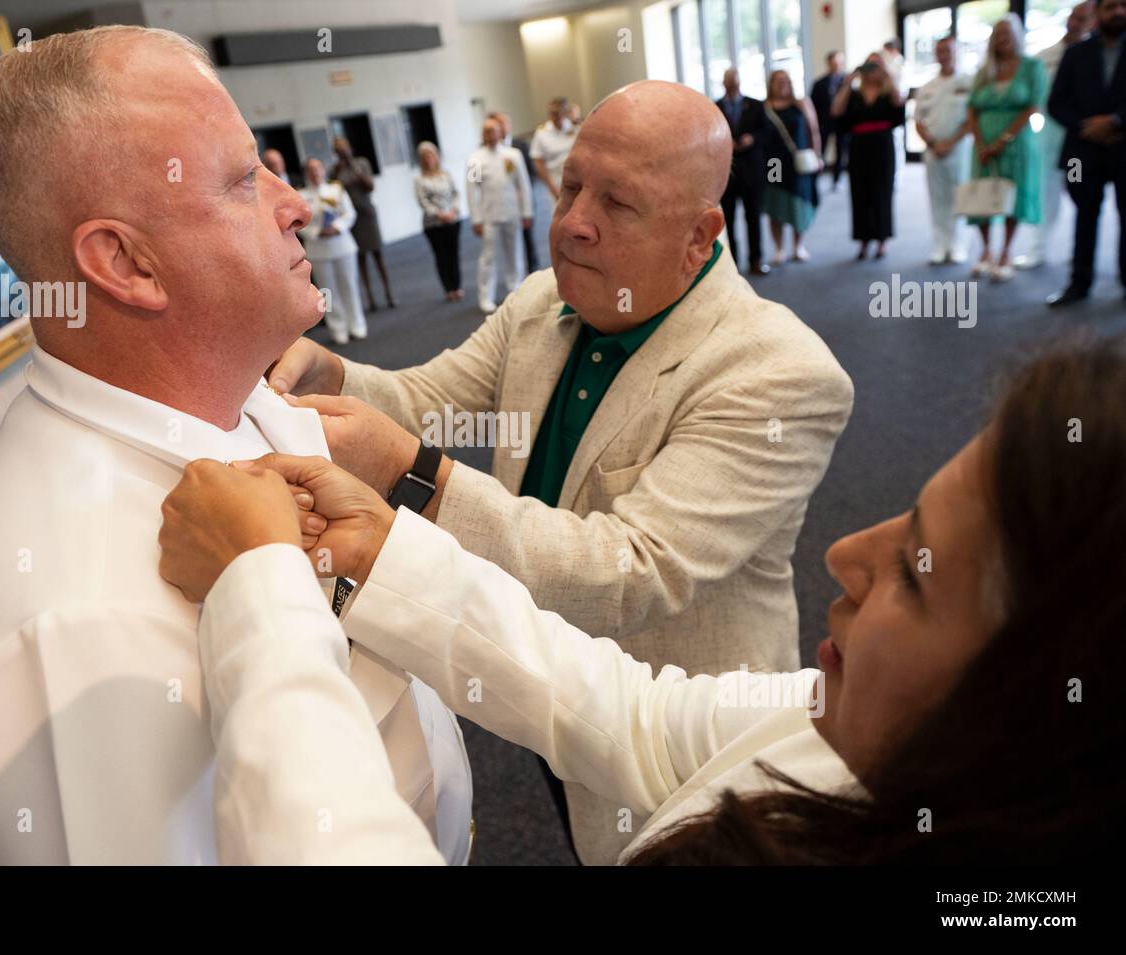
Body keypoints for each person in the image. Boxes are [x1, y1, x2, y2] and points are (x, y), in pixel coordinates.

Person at [159, 337, 1126, 865]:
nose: (845, 554)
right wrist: (389, 556)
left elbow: (631, 566)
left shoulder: (773, 368)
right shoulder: (867, 730)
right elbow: (644, 719)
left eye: (916, 572)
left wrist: (264, 599)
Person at [0, 25, 473, 865]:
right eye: (246, 179)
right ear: (125, 263)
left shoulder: (246, 394)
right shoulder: (74, 626)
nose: (296, 203)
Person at [265, 80, 853, 865]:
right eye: (571, 183)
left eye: (618, 203)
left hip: (689, 742)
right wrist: (330, 374)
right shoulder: (546, 302)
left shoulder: (777, 373)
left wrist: (415, 474)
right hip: (545, 700)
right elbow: (432, 402)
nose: (572, 222)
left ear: (699, 233)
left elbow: (631, 571)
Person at [1046, 0, 1126, 306]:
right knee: (1083, 213)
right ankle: (1079, 283)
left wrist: (1115, 121)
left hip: (1122, 147)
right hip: (1080, 154)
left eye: (1123, 5)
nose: (1118, 12)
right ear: (1098, 14)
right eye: (1110, 6)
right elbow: (1056, 103)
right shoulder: (1075, 54)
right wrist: (1086, 126)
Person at [964, 15, 1047, 283]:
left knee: (1013, 195)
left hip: (1016, 143)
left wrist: (1003, 140)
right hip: (983, 145)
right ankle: (986, 250)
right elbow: (971, 109)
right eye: (997, 33)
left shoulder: (1032, 67)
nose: (1002, 38)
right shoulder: (984, 71)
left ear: (1017, 35)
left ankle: (1006, 252)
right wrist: (981, 142)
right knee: (983, 197)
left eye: (1007, 32)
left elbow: (1033, 106)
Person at [1017, 1, 1096, 270]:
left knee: (1079, 192)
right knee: (1045, 193)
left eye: (1082, 19)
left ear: (1092, 23)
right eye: (1073, 17)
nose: (1074, 23)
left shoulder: (1095, 58)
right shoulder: (1045, 56)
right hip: (1049, 143)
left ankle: (1081, 248)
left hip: (1076, 147)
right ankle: (1038, 249)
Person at [832, 55, 905, 260]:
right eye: (869, 65)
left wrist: (888, 75)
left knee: (883, 192)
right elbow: (836, 111)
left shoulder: (888, 92)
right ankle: (863, 240)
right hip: (859, 147)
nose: (873, 70)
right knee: (860, 192)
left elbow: (899, 104)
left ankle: (882, 239)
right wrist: (848, 81)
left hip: (882, 146)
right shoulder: (854, 94)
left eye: (876, 65)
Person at [914, 36, 973, 265]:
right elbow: (918, 121)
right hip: (933, 150)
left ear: (956, 52)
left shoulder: (967, 83)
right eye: (939, 51)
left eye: (947, 50)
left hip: (959, 149)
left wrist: (950, 143)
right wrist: (933, 143)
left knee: (960, 196)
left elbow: (971, 119)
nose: (943, 55)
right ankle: (940, 244)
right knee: (937, 198)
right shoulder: (927, 88)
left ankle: (958, 244)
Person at [466, 117, 532, 314]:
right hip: (489, 215)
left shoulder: (513, 155)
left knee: (515, 252)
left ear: (500, 132)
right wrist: (475, 218)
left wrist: (526, 212)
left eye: (494, 130)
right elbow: (472, 191)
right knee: (488, 257)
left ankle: (515, 288)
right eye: (487, 131)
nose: (491, 135)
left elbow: (524, 185)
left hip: (512, 212)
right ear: (482, 135)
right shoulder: (475, 160)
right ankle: (485, 296)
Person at [300, 158, 368, 344]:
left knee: (349, 286)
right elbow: (299, 224)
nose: (315, 173)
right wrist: (317, 231)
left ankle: (357, 324)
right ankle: (338, 328)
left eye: (318, 168)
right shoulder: (301, 195)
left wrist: (336, 226)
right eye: (311, 170)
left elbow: (350, 213)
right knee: (327, 293)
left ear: (323, 170)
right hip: (318, 250)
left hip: (343, 246)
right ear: (306, 173)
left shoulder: (336, 189)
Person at [761, 69, 822, 265]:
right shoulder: (765, 107)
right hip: (774, 163)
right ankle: (779, 248)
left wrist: (818, 155)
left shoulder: (802, 104)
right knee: (775, 202)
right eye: (777, 81)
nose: (782, 84)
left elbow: (814, 131)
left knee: (799, 202)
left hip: (799, 162)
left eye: (785, 80)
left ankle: (798, 246)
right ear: (771, 84)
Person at [331, 136, 396, 311]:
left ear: (349, 147)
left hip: (367, 214)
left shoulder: (361, 163)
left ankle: (388, 291)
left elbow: (370, 186)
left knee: (377, 254)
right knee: (361, 258)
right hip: (351, 218)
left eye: (343, 147)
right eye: (338, 149)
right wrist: (339, 172)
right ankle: (370, 297)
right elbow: (334, 192)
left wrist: (353, 167)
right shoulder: (335, 170)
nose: (341, 151)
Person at [716, 68, 769, 275]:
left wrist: (752, 139)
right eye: (729, 82)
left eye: (735, 82)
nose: (732, 85)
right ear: (724, 84)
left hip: (752, 170)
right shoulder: (716, 107)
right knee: (727, 219)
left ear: (740, 83)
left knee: (753, 217)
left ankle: (756, 260)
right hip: (727, 173)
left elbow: (767, 134)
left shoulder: (755, 105)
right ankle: (733, 264)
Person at [413, 141, 464, 302]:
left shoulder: (445, 174)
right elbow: (423, 202)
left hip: (453, 220)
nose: (429, 159)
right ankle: (448, 288)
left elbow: (456, 193)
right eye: (425, 156)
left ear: (437, 156)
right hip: (433, 224)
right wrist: (440, 214)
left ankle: (457, 286)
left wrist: (453, 210)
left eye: (431, 155)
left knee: (453, 254)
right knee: (441, 256)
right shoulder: (419, 180)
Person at [492, 110, 539, 272]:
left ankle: (530, 272)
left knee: (525, 240)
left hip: (518, 203)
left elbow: (529, 177)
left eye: (501, 125)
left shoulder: (516, 150)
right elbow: (474, 184)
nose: (497, 130)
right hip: (493, 209)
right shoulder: (477, 155)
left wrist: (525, 202)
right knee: (493, 251)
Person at [811, 51, 848, 190]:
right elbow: (813, 106)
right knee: (821, 151)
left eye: (839, 63)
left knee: (840, 151)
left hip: (841, 124)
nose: (836, 66)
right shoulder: (819, 84)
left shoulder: (847, 82)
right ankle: (816, 177)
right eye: (833, 63)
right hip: (824, 124)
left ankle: (837, 179)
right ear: (828, 64)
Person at [529, 96, 576, 203]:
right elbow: (539, 163)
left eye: (560, 112)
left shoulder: (575, 128)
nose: (557, 116)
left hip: (576, 179)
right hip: (555, 181)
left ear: (565, 112)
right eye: (554, 113)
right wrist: (553, 189)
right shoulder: (542, 133)